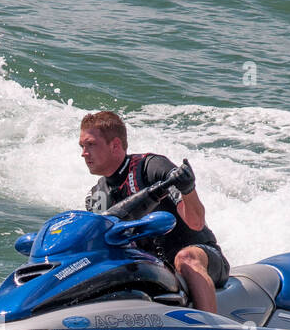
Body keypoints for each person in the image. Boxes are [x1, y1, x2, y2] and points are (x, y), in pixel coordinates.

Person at [80, 111, 229, 314]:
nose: (84, 153)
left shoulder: (151, 167)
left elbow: (196, 222)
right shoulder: (97, 196)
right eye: (82, 146)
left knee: (185, 258)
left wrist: (188, 189)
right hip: (155, 272)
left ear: (115, 145)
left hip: (202, 257)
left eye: (90, 145)